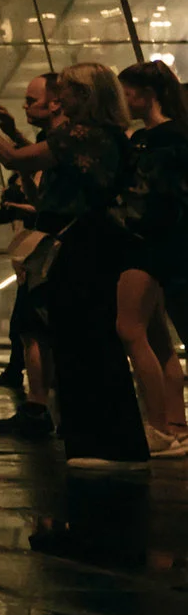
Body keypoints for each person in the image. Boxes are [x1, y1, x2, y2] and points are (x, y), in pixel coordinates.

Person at [0, 65, 151, 468]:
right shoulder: (107, 137)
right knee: (96, 341)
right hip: (103, 244)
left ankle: (97, 444)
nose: (59, 99)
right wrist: (16, 131)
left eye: (66, 92)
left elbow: (12, 158)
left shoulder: (80, 135)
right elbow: (47, 168)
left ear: (85, 96)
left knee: (80, 342)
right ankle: (116, 443)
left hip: (81, 247)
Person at [116, 60, 188, 453]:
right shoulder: (149, 138)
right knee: (157, 336)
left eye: (127, 93)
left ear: (147, 96)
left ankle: (160, 425)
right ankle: (174, 423)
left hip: (154, 245)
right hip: (161, 246)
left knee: (133, 329)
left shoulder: (167, 140)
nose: (124, 102)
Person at [0, 79, 58, 439]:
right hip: (40, 255)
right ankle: (39, 402)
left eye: (32, 101)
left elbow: (15, 159)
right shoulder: (56, 146)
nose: (26, 107)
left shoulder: (68, 143)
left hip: (51, 253)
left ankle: (40, 405)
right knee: (30, 330)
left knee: (34, 331)